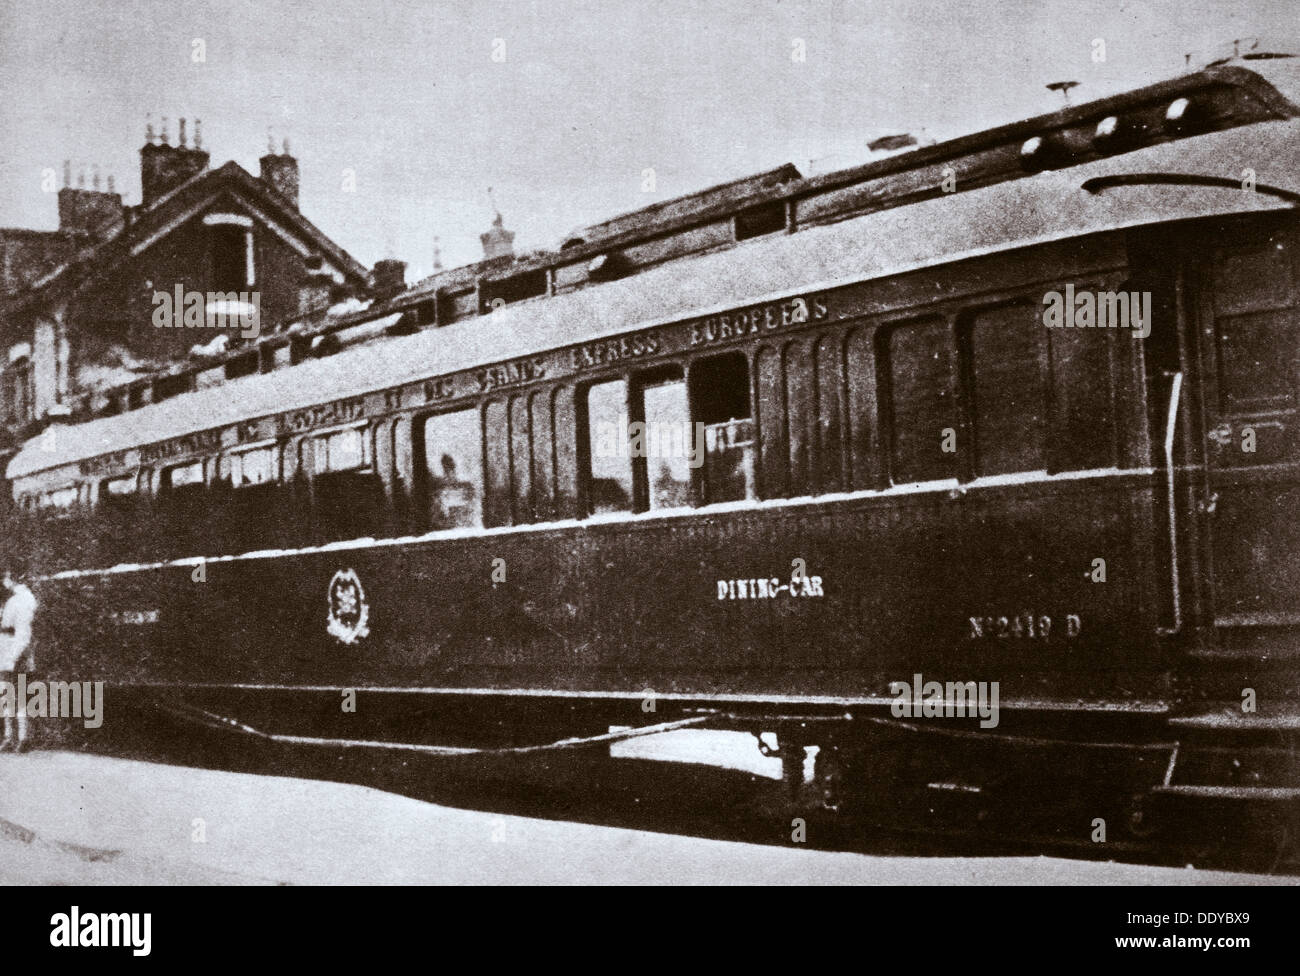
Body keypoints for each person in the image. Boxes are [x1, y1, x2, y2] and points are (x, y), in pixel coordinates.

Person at [0, 564, 38, 753]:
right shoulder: (16, 599)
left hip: (14, 651)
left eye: (7, 577)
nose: (4, 581)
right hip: (8, 648)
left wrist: (12, 657)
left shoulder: (22, 600)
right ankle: (10, 737)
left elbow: (22, 632)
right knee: (7, 694)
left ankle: (21, 738)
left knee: (16, 694)